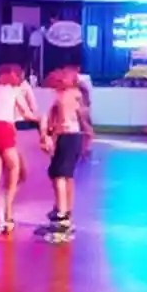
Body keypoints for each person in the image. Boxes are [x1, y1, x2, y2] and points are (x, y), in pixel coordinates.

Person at [0, 63, 37, 233]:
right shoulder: (13, 91)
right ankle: (5, 211)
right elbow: (26, 114)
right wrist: (41, 120)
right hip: (3, 129)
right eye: (18, 76)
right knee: (14, 169)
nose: (20, 80)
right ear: (11, 76)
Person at [38, 66, 93, 241]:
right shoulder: (70, 95)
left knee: (60, 175)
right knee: (63, 175)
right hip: (70, 137)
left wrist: (49, 138)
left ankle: (62, 217)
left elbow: (69, 120)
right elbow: (78, 118)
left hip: (69, 137)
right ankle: (64, 213)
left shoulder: (68, 95)